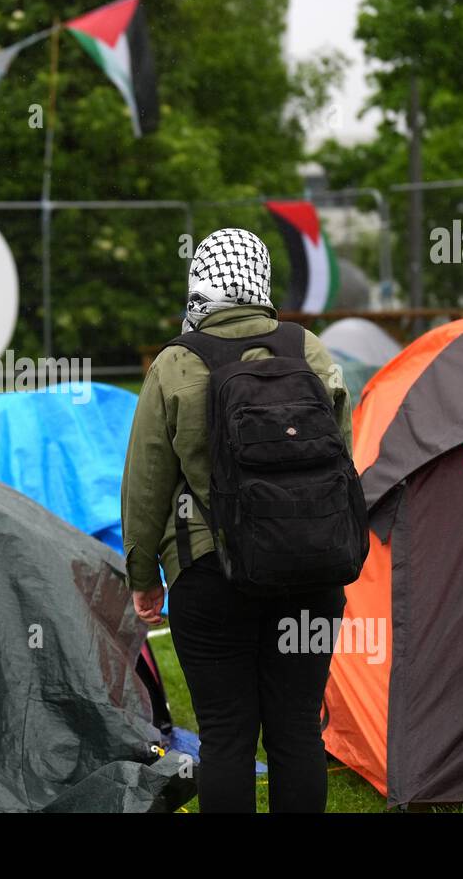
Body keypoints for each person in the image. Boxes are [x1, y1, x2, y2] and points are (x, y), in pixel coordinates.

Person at [121, 227, 353, 813]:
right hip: (309, 569)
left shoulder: (175, 363)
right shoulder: (310, 350)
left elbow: (146, 485)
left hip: (209, 573)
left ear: (200, 280)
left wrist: (144, 575)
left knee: (226, 735)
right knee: (297, 729)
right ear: (262, 278)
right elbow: (341, 462)